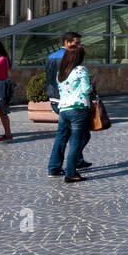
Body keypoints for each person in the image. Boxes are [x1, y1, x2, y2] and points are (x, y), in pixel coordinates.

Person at [48, 46, 93, 182]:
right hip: (78, 109)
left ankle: (56, 167)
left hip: (64, 110)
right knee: (76, 142)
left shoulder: (61, 73)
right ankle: (71, 173)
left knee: (64, 138)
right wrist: (92, 86)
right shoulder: (81, 70)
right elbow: (85, 90)